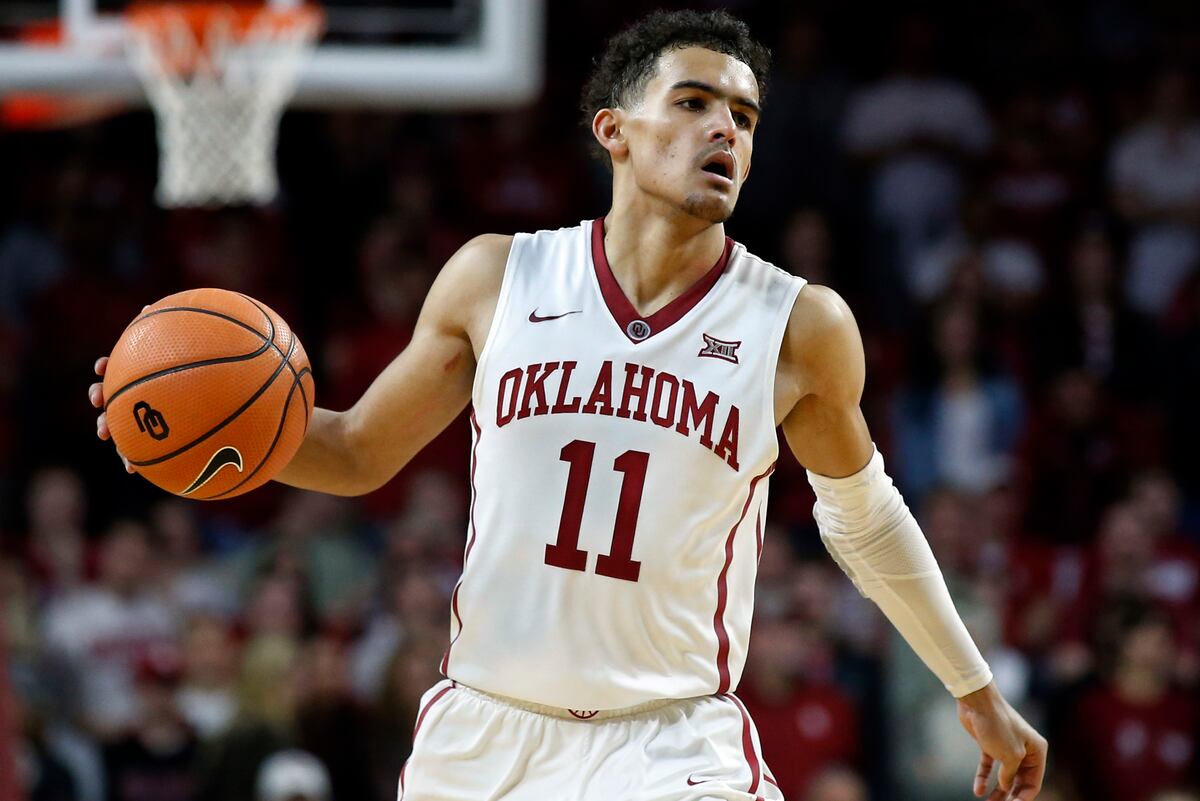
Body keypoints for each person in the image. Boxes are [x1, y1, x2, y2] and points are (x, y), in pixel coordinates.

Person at [90, 10, 1046, 800]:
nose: (725, 130)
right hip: (487, 732)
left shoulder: (798, 325)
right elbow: (350, 453)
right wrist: (184, 429)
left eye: (745, 118)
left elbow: (865, 515)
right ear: (613, 130)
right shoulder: (495, 276)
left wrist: (974, 686)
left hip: (672, 744)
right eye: (695, 102)